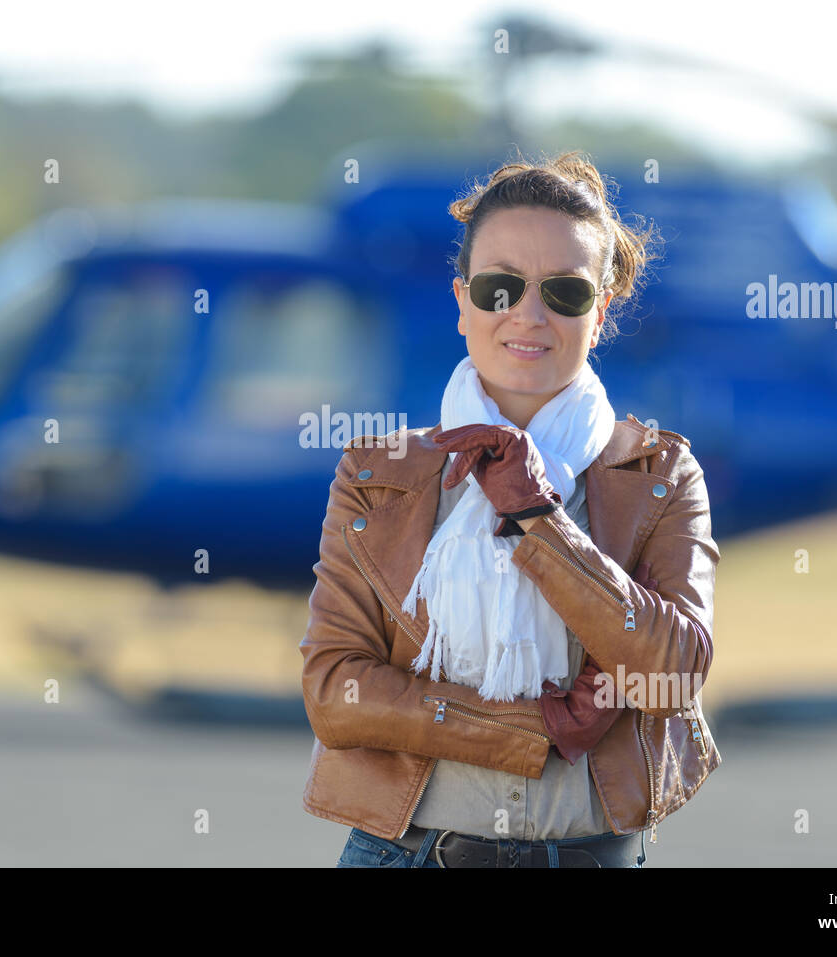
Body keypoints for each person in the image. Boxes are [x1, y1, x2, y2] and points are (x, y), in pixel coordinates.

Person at [299, 149, 721, 868]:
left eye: (566, 291)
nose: (528, 313)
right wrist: (537, 727)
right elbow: (335, 691)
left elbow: (676, 671)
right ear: (463, 303)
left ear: (602, 312)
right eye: (500, 287)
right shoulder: (377, 472)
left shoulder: (658, 472)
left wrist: (536, 517)